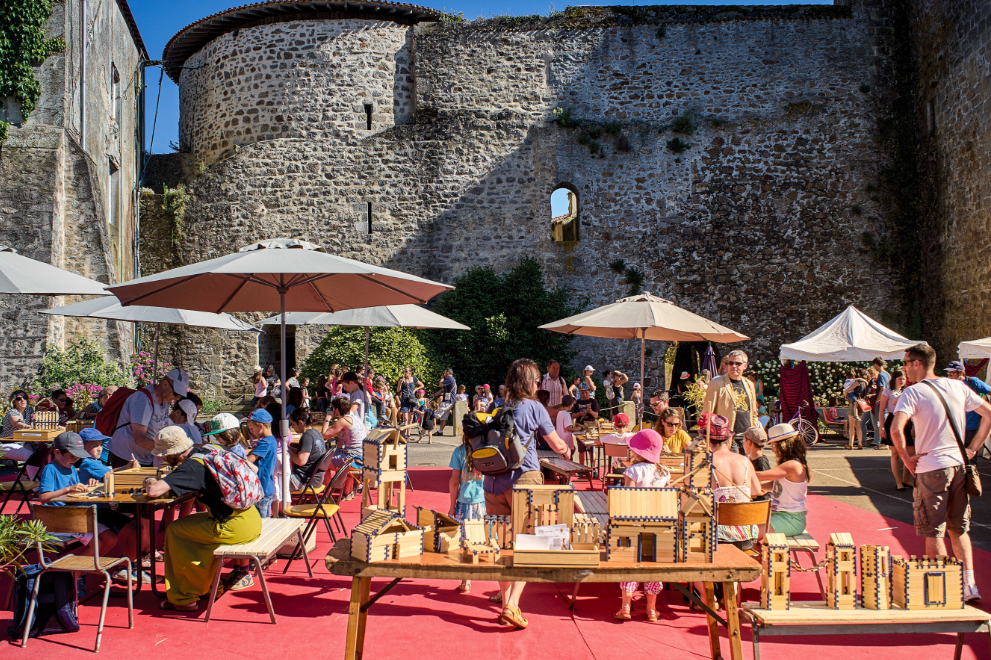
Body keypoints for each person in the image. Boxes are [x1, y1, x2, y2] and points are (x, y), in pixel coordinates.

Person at [891, 343, 991, 602]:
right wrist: (973, 448)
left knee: (932, 530)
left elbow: (895, 429)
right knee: (959, 528)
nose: (903, 368)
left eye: (905, 363)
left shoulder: (913, 393)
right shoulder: (957, 386)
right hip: (959, 465)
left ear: (917, 363)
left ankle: (936, 588)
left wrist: (907, 460)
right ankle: (969, 586)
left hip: (931, 467)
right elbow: (988, 413)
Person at [483, 358, 571, 629]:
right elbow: (556, 444)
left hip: (493, 482)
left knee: (503, 544)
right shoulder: (535, 407)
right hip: (525, 480)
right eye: (536, 381)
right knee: (530, 541)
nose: (538, 385)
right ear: (529, 382)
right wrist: (567, 451)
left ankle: (506, 597)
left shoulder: (497, 405)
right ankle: (512, 605)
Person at [144, 428, 263, 611]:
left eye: (164, 455)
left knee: (175, 531)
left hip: (234, 526)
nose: (163, 458)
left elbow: (154, 491)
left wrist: (148, 481)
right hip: (250, 518)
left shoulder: (191, 466)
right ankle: (206, 587)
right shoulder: (208, 450)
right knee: (193, 528)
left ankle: (184, 597)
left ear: (173, 453)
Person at [615, 429, 670, 622]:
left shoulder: (633, 471)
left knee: (631, 564)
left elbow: (628, 498)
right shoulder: (665, 472)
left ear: (639, 451)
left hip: (635, 523)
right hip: (657, 525)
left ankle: (625, 607)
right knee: (652, 566)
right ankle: (651, 609)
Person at [109, 369, 188, 468]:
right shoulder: (143, 400)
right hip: (126, 457)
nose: (177, 398)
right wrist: (168, 452)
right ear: (165, 384)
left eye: (180, 395)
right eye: (176, 393)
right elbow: (140, 439)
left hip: (145, 458)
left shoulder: (165, 401)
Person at [710, 418, 762, 548]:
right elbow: (756, 491)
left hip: (716, 536)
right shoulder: (745, 461)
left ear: (707, 441)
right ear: (729, 440)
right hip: (746, 536)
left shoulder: (707, 462)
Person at [756, 424, 810, 537]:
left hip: (790, 519)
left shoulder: (792, 465)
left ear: (784, 445)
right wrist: (755, 486)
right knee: (747, 526)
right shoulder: (791, 464)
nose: (772, 449)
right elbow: (775, 486)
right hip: (783, 516)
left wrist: (739, 471)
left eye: (774, 445)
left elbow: (760, 476)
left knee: (748, 533)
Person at [449, 434, 486, 594]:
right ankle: (500, 586)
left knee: (464, 542)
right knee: (486, 540)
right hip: (483, 502)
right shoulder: (486, 451)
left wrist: (452, 505)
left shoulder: (459, 452)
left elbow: (454, 481)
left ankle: (466, 581)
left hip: (464, 502)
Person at [702, 350, 758, 453]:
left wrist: (754, 433)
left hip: (746, 438)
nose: (733, 366)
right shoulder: (716, 383)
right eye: (730, 363)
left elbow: (753, 412)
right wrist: (707, 438)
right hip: (726, 438)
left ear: (745, 366)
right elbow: (707, 413)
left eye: (738, 363)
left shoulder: (749, 384)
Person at [878, 369, 915, 490]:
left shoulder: (907, 391)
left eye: (904, 379)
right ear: (894, 379)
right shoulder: (887, 391)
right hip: (893, 419)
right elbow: (881, 410)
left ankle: (906, 479)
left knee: (910, 452)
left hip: (906, 421)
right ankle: (898, 482)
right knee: (895, 453)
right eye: (900, 379)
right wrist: (881, 427)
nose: (902, 381)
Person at [945, 360, 991, 447]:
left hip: (971, 426)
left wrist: (987, 407)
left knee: (970, 457)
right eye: (948, 373)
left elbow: (989, 391)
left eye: (952, 373)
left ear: (961, 373)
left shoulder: (973, 381)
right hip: (954, 426)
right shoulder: (947, 384)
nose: (950, 376)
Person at [242, 409, 277, 520]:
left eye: (251, 428)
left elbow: (249, 460)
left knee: (260, 521)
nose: (251, 432)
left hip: (261, 488)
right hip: (267, 487)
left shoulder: (264, 442)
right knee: (265, 519)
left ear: (260, 426)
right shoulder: (271, 440)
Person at [322, 394, 367, 470]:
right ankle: (344, 480)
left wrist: (328, 418)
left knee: (322, 459)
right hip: (363, 455)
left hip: (352, 457)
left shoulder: (343, 421)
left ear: (337, 409)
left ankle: (333, 481)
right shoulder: (356, 418)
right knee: (326, 453)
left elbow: (323, 435)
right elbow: (368, 433)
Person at [287, 408, 327, 490]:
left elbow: (301, 461)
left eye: (293, 424)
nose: (292, 427)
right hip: (316, 478)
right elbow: (309, 453)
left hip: (304, 479)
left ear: (300, 423)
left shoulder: (307, 436)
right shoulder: (316, 432)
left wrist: (287, 450)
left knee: (276, 482)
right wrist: (291, 449)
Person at [0, 390, 37, 477]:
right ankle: (34, 484)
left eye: (24, 398)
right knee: (30, 456)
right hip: (8, 444)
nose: (22, 400)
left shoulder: (28, 411)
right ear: (14, 402)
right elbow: (16, 423)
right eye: (18, 399)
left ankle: (37, 477)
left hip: (22, 442)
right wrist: (28, 427)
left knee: (44, 450)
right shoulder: (12, 412)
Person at [742, 426, 772, 503]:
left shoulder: (761, 462)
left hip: (760, 505)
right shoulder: (753, 459)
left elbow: (764, 490)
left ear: (749, 442)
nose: (743, 444)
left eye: (743, 441)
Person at [843, 369, 869, 449]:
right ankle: (860, 444)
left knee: (851, 426)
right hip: (860, 404)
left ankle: (850, 444)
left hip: (853, 404)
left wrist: (846, 394)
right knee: (858, 426)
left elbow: (846, 391)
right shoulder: (862, 383)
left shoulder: (854, 382)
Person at [396, 367, 424, 436]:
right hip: (405, 399)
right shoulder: (402, 379)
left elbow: (422, 385)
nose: (405, 373)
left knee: (411, 418)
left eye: (406, 371)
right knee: (405, 418)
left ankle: (408, 435)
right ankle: (404, 435)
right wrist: (399, 383)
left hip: (412, 399)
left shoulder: (414, 379)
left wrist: (415, 389)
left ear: (410, 372)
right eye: (404, 371)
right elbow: (398, 390)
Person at [434, 369, 457, 435]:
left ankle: (425, 428)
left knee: (436, 415)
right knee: (444, 417)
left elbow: (440, 384)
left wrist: (442, 378)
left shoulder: (449, 379)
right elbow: (442, 389)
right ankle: (440, 431)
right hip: (450, 401)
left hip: (447, 401)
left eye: (444, 373)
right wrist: (434, 394)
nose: (444, 374)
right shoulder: (452, 380)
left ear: (447, 373)